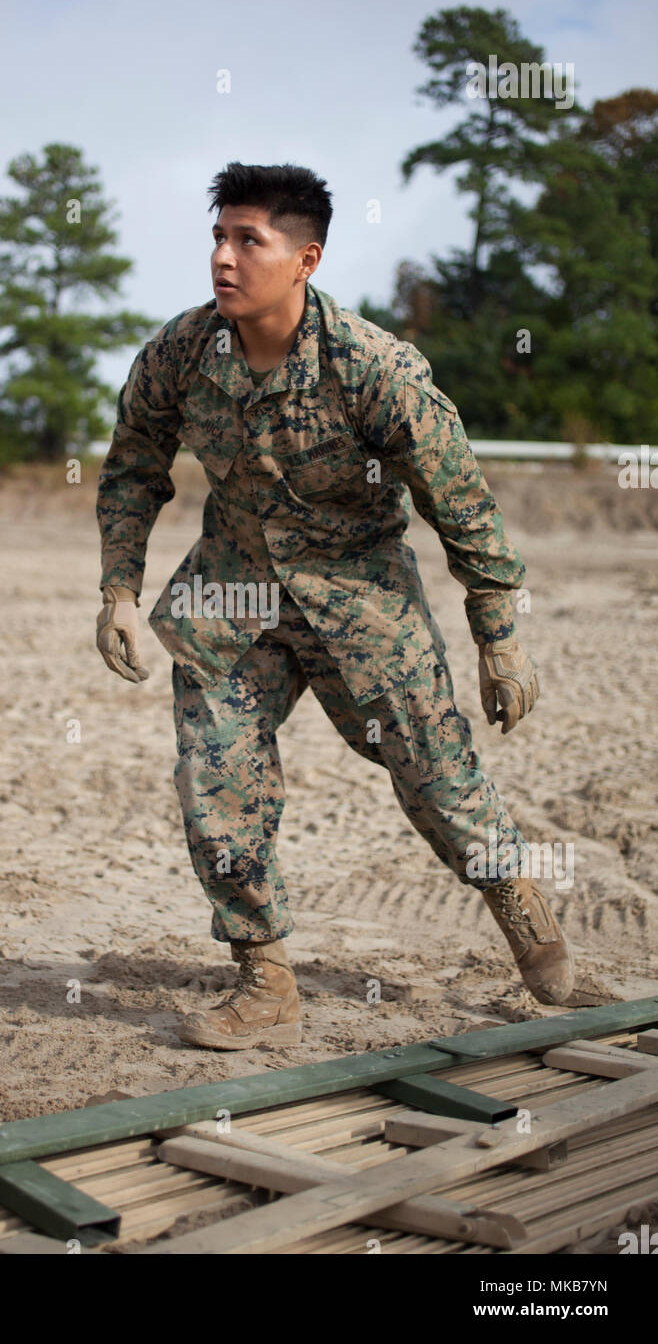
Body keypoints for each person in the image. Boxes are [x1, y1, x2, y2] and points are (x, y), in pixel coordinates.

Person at [95, 161, 573, 1052]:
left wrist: (499, 639)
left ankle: (522, 909)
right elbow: (132, 465)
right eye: (218, 237)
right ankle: (264, 976)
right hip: (233, 597)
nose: (224, 258)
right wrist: (119, 585)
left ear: (306, 258)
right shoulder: (180, 353)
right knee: (216, 775)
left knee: (437, 779)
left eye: (250, 240)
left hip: (361, 597)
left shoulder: (375, 369)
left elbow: (460, 503)